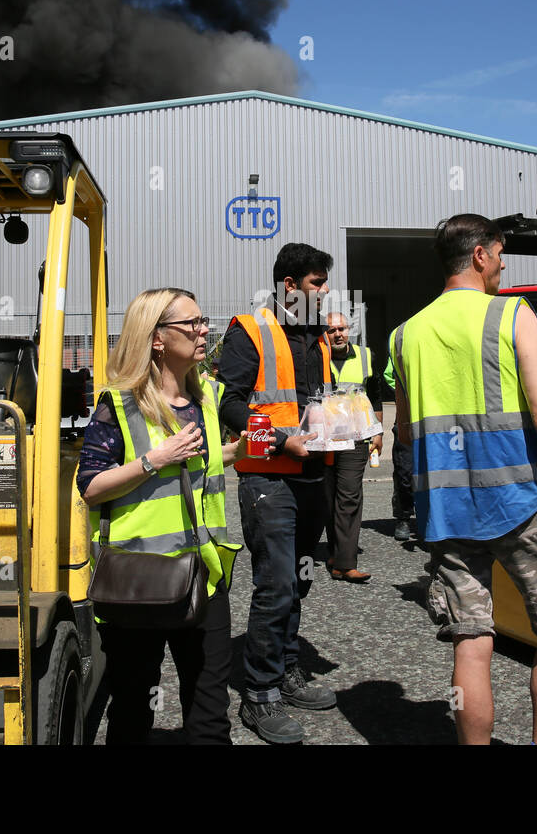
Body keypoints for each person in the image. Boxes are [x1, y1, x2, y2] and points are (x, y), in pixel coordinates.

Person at [394, 214, 537, 744]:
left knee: (470, 638)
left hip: (446, 512)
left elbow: (406, 433)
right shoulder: (512, 314)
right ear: (480, 255)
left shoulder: (405, 334)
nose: (502, 266)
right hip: (522, 501)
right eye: (500, 255)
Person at [77, 288, 246, 745]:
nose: (202, 330)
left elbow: (199, 468)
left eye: (201, 321)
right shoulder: (119, 404)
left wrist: (238, 452)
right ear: (156, 338)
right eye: (190, 324)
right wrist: (155, 459)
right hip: (139, 582)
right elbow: (90, 487)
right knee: (133, 708)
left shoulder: (206, 396)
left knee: (211, 709)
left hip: (205, 577)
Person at [217, 243, 337, 744]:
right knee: (277, 584)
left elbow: (320, 400)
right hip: (268, 477)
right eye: (316, 283)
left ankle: (286, 670)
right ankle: (260, 693)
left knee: (299, 582)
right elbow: (231, 407)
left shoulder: (320, 336)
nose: (325, 291)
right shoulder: (250, 330)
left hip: (313, 475)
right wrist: (281, 439)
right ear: (290, 285)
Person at [322, 310, 384, 582]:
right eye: (332, 330)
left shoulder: (365, 356)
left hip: (356, 437)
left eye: (342, 329)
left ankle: (345, 563)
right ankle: (336, 551)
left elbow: (377, 396)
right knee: (327, 497)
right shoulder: (316, 355)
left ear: (349, 330)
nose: (338, 334)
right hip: (323, 439)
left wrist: (377, 432)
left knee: (348, 495)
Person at [383, 333, 418, 543]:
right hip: (406, 416)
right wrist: (411, 394)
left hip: (432, 417)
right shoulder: (402, 348)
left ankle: (426, 517)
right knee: (405, 471)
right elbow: (390, 375)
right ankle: (403, 516)